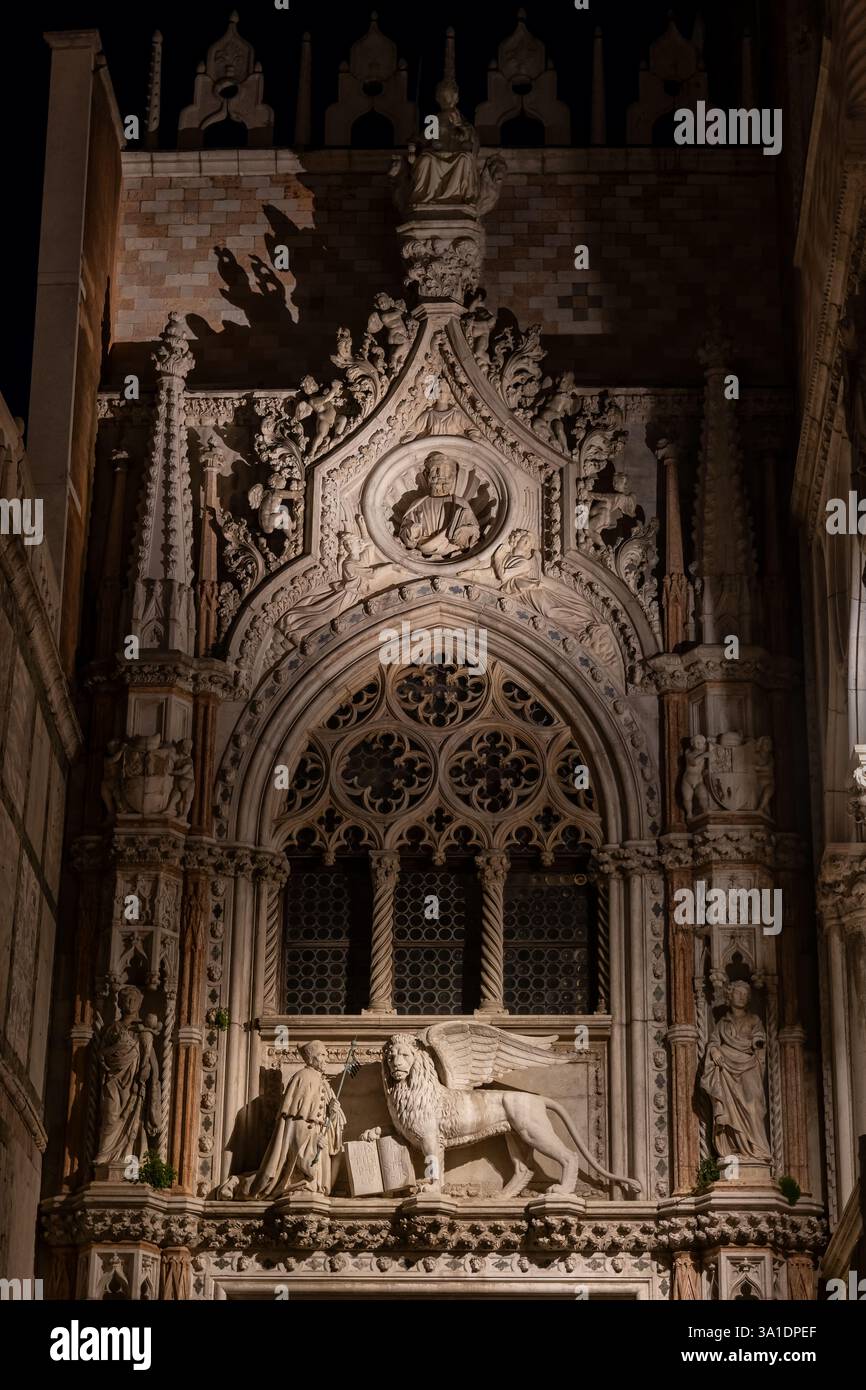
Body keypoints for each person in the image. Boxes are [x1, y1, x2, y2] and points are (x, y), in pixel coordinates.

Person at [250, 1040, 345, 1197]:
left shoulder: (324, 1083)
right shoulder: (302, 1077)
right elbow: (293, 1121)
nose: (326, 1059)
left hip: (320, 1136)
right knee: (305, 1173)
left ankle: (312, 1185)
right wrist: (313, 1139)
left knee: (318, 1177)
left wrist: (333, 1112)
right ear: (311, 1058)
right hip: (305, 1136)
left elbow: (332, 1120)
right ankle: (300, 1183)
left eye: (326, 1055)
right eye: (322, 1055)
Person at [701, 981, 772, 1164]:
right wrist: (715, 1050)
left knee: (753, 1106)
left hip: (748, 1068)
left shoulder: (754, 1020)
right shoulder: (722, 1023)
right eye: (738, 993)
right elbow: (714, 1042)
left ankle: (758, 1149)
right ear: (729, 995)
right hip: (726, 1070)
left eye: (745, 993)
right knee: (730, 1109)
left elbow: (759, 1038)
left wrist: (758, 1042)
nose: (742, 996)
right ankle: (735, 1148)